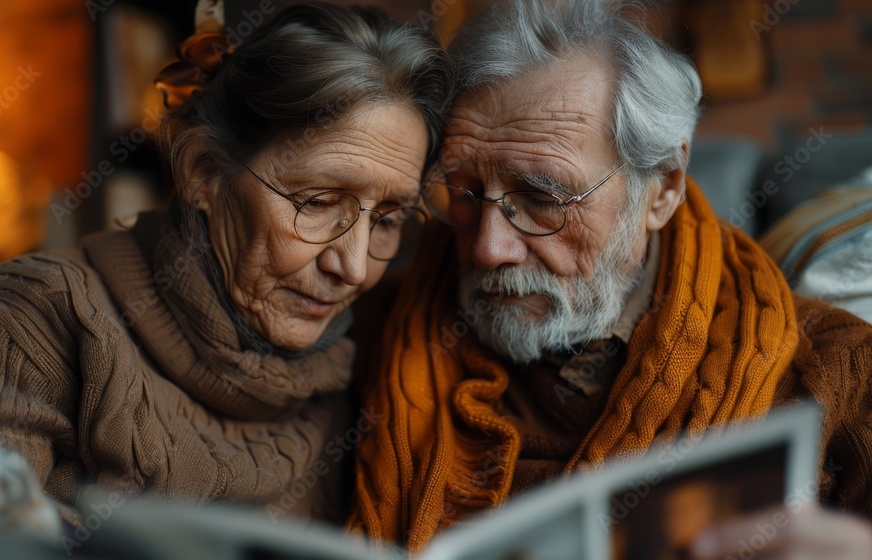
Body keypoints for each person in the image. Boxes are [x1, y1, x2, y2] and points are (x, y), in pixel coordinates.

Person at [349, 0, 872, 556]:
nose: (487, 248)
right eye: (465, 192)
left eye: (541, 197)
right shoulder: (371, 329)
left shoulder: (838, 373)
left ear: (662, 190)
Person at [0, 0, 451, 525]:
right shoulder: (23, 328)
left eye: (387, 219)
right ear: (205, 172)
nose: (353, 268)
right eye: (317, 203)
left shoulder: (361, 374)